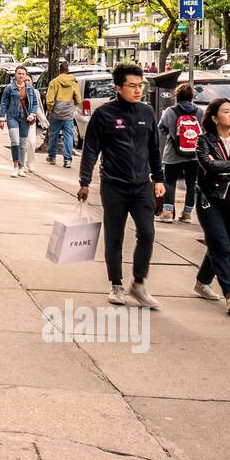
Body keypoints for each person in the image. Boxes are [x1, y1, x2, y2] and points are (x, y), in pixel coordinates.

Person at [77, 62, 165, 308]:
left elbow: (154, 149)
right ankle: (116, 285)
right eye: (132, 86)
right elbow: (91, 149)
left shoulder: (147, 113)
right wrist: (85, 181)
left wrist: (159, 179)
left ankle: (138, 283)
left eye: (140, 86)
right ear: (118, 87)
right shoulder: (104, 115)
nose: (138, 91)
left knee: (147, 233)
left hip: (142, 186)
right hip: (114, 186)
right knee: (114, 236)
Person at [195, 97, 230, 315]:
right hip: (209, 200)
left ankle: (201, 282)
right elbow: (208, 166)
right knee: (220, 245)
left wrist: (225, 167)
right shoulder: (204, 140)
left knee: (221, 244)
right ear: (214, 117)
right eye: (226, 111)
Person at [157, 81, 201, 223]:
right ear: (192, 97)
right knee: (191, 183)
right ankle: (187, 214)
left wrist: (173, 135)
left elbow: (161, 128)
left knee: (169, 182)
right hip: (194, 153)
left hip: (173, 153)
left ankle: (168, 213)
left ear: (176, 96)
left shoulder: (170, 111)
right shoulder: (199, 111)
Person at [0, 66, 41, 177]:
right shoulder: (9, 88)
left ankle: (22, 167)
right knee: (15, 142)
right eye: (19, 73)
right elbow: (3, 103)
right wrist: (2, 118)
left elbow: (35, 104)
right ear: (15, 75)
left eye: (23, 74)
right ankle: (15, 167)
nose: (21, 75)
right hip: (12, 117)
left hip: (25, 119)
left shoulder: (30, 89)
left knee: (22, 144)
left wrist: (32, 114)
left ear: (26, 76)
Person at [45, 60, 82, 169]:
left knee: (53, 135)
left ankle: (52, 156)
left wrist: (51, 109)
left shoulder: (54, 82)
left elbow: (49, 99)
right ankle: (67, 160)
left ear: (60, 70)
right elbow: (78, 99)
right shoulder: (73, 82)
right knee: (68, 136)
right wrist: (73, 104)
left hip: (56, 113)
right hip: (68, 113)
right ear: (68, 70)